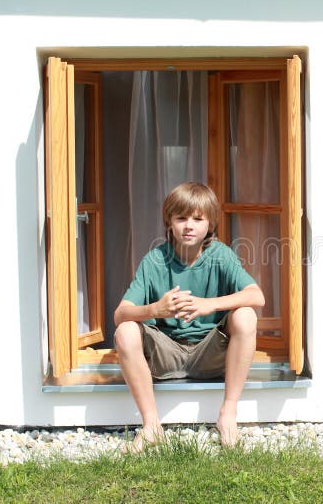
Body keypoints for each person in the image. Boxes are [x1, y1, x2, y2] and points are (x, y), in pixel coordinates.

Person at [113, 182, 264, 451]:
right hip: (166, 354)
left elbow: (257, 296)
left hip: (211, 353)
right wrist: (154, 310)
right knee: (125, 330)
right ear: (169, 222)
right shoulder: (155, 260)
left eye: (197, 218)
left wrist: (208, 305)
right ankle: (151, 426)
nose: (188, 226)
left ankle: (228, 413)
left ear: (210, 223)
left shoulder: (221, 255)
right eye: (181, 218)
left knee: (245, 316)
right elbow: (120, 314)